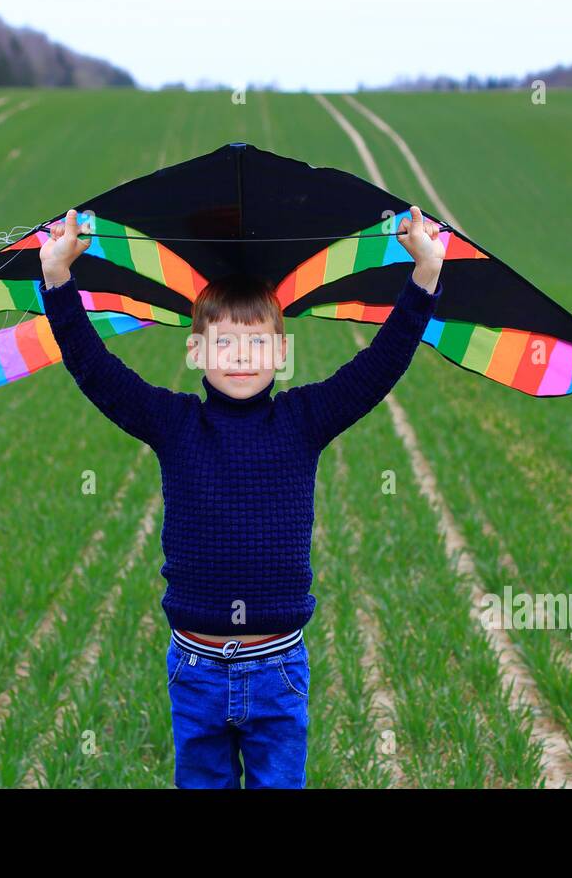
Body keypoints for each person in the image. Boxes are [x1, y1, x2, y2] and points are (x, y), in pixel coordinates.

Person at [38, 205, 443, 787]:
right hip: (195, 668)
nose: (240, 357)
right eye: (223, 343)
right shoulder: (174, 424)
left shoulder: (304, 419)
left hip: (279, 668)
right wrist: (58, 278)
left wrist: (424, 274)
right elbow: (96, 370)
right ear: (196, 353)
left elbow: (379, 366)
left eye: (256, 344)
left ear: (281, 354)